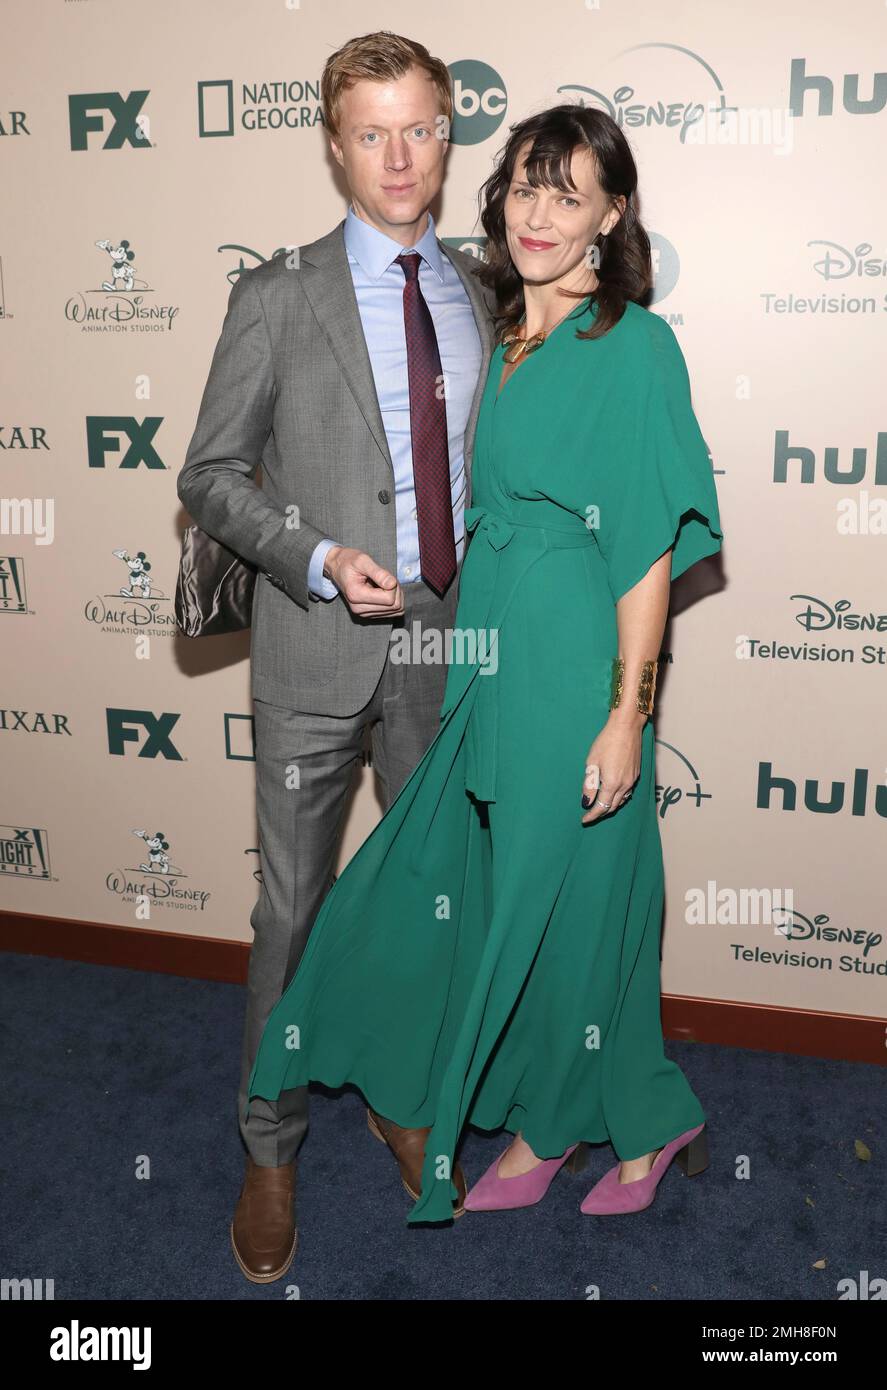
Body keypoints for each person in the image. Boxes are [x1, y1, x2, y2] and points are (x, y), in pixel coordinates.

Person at [246, 101, 724, 1230]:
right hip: (488, 651)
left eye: (570, 191)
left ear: (612, 212)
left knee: (572, 894)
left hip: (575, 662)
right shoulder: (502, 331)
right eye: (523, 184)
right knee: (542, 897)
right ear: (495, 196)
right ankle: (613, 1108)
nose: (540, 212)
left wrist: (623, 716)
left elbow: (648, 552)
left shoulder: (633, 346)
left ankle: (576, 1122)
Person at [177, 31, 496, 1280]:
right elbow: (208, 475)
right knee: (292, 914)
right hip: (313, 649)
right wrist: (312, 556)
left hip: (448, 648)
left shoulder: (479, 288)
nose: (400, 155)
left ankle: (402, 1096)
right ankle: (270, 1145)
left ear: (445, 133)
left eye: (420, 126)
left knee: (427, 909)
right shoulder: (276, 294)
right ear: (332, 143)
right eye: (372, 130)